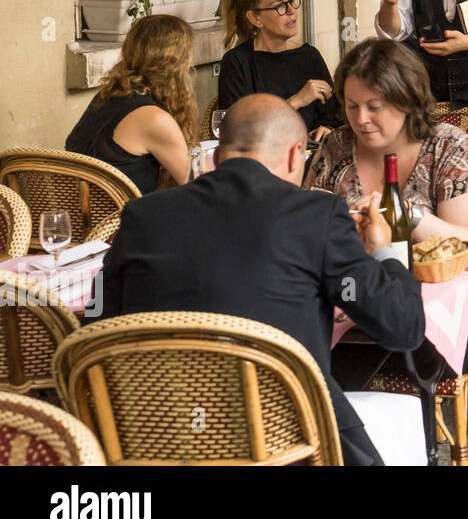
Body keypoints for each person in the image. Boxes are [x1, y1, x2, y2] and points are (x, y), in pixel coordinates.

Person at [95, 94, 427, 466]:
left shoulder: (143, 214)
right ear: (294, 155)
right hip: (285, 444)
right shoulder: (317, 215)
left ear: (216, 158)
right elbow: (403, 328)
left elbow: (99, 322)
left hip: (155, 439)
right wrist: (382, 250)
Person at [305, 38, 468, 368]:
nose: (361, 119)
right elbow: (309, 235)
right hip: (358, 298)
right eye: (352, 106)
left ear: (406, 100)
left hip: (455, 301)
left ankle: (387, 416)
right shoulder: (337, 148)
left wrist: (408, 215)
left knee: (400, 343)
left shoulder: (449, 147)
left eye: (374, 106)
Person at [66, 15, 196, 194]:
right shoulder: (154, 119)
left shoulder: (108, 96)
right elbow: (198, 187)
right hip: (127, 220)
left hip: (82, 217)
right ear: (179, 62)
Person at [218, 0, 341, 140]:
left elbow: (334, 118)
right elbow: (237, 130)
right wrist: (296, 101)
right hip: (261, 161)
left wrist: (327, 129)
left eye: (291, 0)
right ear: (255, 18)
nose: (291, 10)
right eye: (280, 6)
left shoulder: (309, 56)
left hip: (312, 159)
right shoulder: (237, 62)